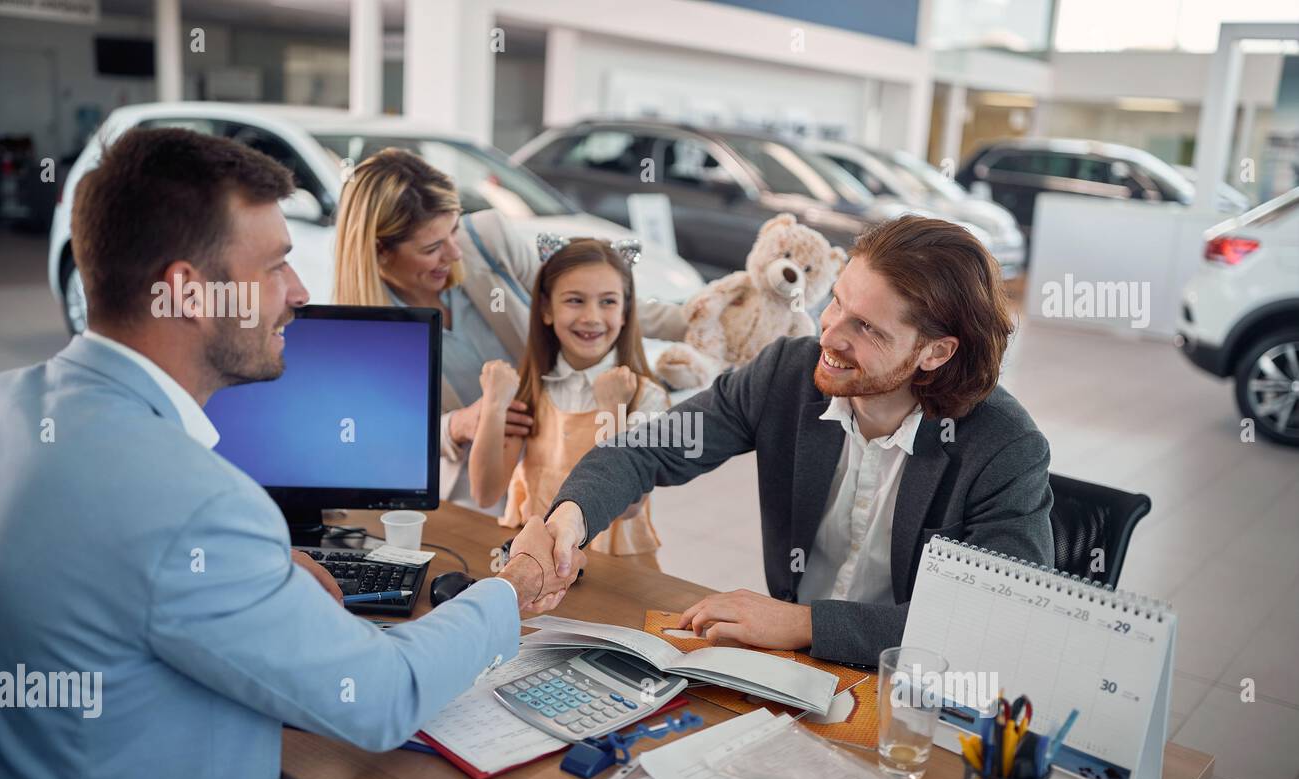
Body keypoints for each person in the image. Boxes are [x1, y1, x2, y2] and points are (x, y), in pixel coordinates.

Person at [0, 127, 582, 779]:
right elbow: (380, 696)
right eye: (276, 267)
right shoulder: (199, 505)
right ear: (187, 290)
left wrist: (264, 585)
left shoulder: (14, 410)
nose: (301, 293)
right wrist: (514, 585)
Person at [541, 216, 1054, 667]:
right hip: (787, 669)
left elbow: (995, 621)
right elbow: (646, 449)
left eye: (867, 328)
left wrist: (804, 625)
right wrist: (570, 516)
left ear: (936, 352)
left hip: (912, 687)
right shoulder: (787, 372)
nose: (829, 334)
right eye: (836, 301)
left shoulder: (1005, 448)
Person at [331, 148, 686, 512]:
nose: (454, 252)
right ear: (380, 251)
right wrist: (456, 425)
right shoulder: (361, 327)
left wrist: (698, 324)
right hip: (476, 495)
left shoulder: (486, 241)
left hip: (558, 459)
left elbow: (579, 296)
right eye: (433, 247)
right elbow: (376, 435)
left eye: (454, 229)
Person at [469, 237, 669, 568]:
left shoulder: (645, 397)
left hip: (615, 570)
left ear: (625, 312)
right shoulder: (531, 388)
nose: (592, 317)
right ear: (546, 309)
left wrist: (613, 411)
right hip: (537, 565)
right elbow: (486, 493)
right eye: (575, 300)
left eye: (608, 302)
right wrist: (492, 406)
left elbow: (630, 506)